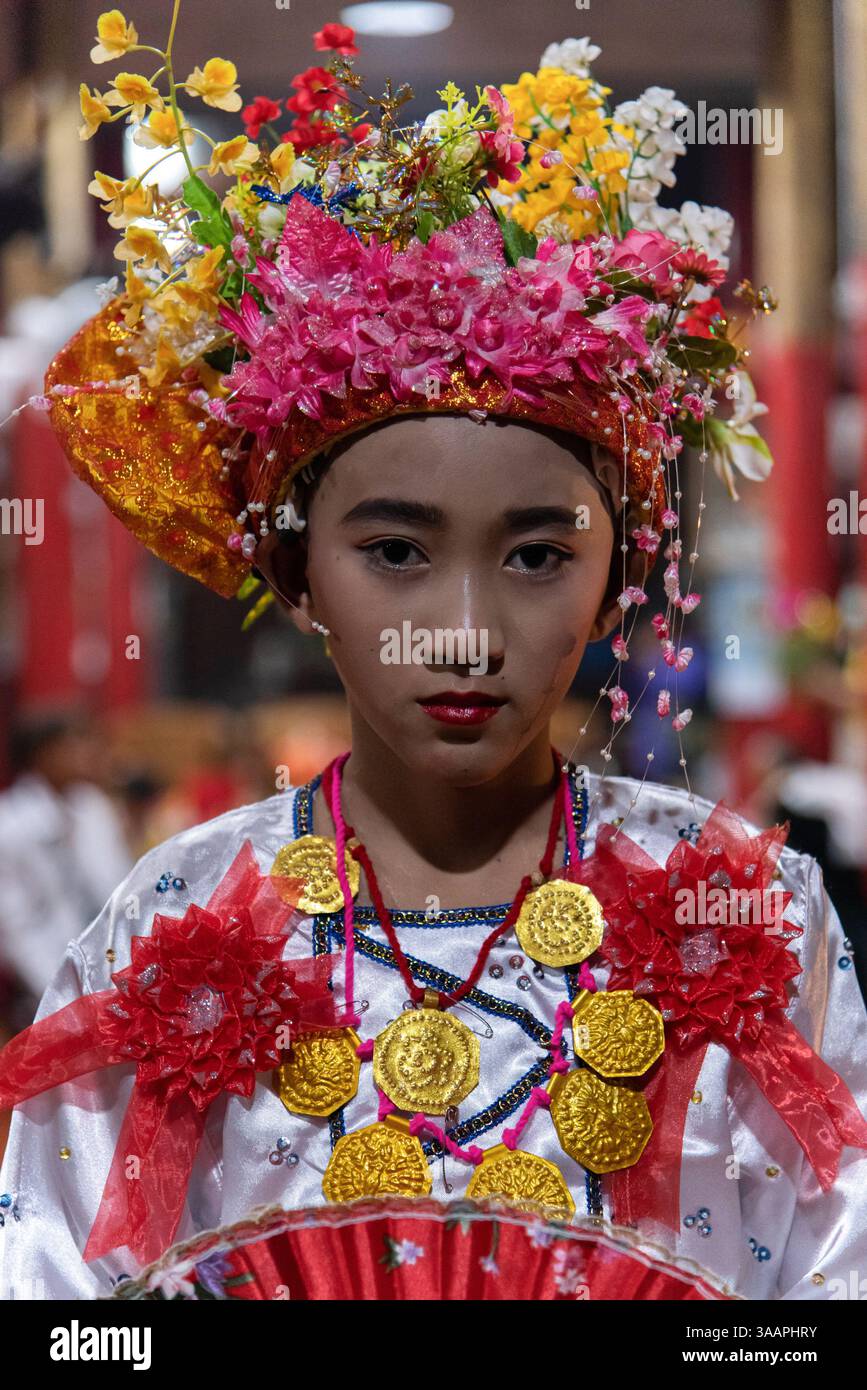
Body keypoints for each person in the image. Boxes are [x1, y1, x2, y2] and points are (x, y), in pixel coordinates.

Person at [1, 13, 866, 1301]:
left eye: (537, 555)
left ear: (619, 577)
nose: (464, 628)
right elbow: (65, 1309)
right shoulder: (172, 921)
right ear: (296, 574)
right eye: (397, 551)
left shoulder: (745, 912)